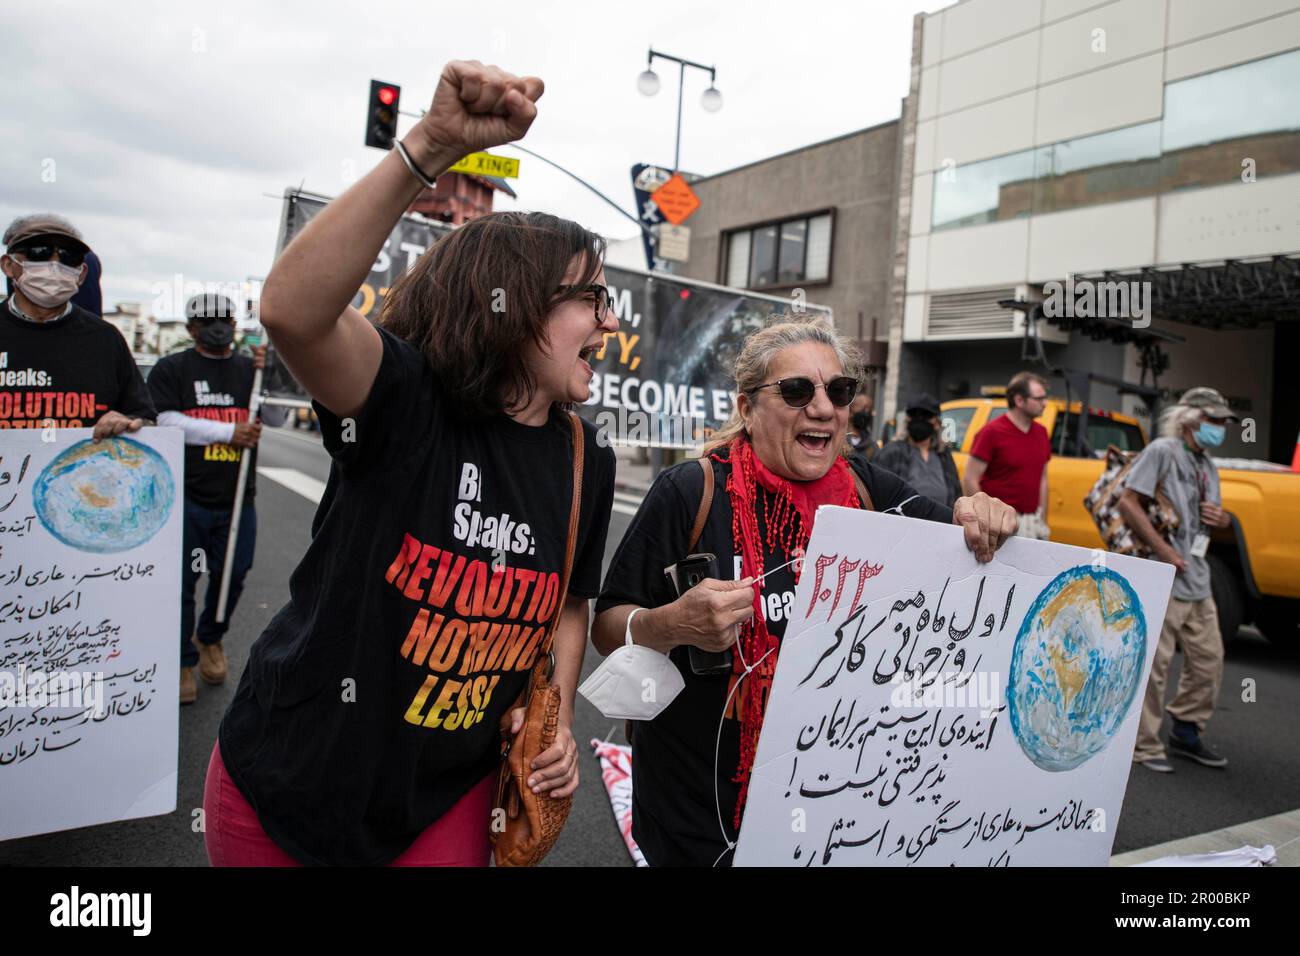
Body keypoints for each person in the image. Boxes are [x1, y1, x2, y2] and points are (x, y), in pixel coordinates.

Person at [204, 60, 617, 867]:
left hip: (445, 801)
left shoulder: (584, 456)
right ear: (517, 303)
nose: (607, 321)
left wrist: (551, 718)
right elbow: (293, 311)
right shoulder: (405, 402)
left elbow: (571, 601)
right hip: (291, 785)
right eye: (589, 299)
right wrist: (428, 144)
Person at [591, 317, 1018, 866]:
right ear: (747, 409)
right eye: (796, 391)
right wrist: (670, 623)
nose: (823, 408)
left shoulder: (870, 490)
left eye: (838, 391)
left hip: (835, 800)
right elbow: (608, 627)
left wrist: (979, 512)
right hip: (699, 811)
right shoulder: (689, 491)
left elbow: (966, 541)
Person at [148, 294, 265, 705]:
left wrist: (273, 365)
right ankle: (181, 657)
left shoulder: (253, 369)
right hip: (186, 498)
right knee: (182, 582)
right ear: (191, 329)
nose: (218, 327)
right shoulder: (172, 369)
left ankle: (210, 637)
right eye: (207, 321)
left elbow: (287, 400)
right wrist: (227, 433)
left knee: (233, 574)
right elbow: (163, 420)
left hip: (237, 499)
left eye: (225, 319)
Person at [1122, 387, 1235, 773]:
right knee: (1156, 665)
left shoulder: (1209, 466)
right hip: (1164, 573)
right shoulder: (1162, 452)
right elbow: (1128, 501)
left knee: (1209, 662)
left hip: (1197, 576)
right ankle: (1145, 744)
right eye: (1215, 421)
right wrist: (1164, 551)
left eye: (1224, 422)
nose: (1221, 428)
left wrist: (1223, 521)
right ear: (1191, 420)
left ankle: (1186, 730)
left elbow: (1210, 520)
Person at [0, 214, 154, 435]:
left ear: (81, 274)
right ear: (8, 265)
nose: (54, 265)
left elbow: (145, 418)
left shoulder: (106, 339)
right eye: (38, 253)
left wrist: (127, 422)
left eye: (68, 257)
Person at [963, 371, 1052, 540]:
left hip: (1033, 522)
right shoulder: (992, 432)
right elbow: (969, 478)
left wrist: (1042, 520)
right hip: (999, 523)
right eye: (1039, 398)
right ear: (1019, 400)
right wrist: (985, 519)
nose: (1045, 403)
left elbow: (1043, 479)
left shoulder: (1042, 433)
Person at [871, 392, 961, 509]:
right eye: (914, 414)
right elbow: (877, 493)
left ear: (937, 423)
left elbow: (957, 494)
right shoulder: (891, 453)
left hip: (941, 523)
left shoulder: (943, 455)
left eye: (926, 415)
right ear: (907, 420)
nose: (920, 419)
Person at [845, 389, 875, 457]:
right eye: (864, 408)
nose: (867, 413)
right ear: (850, 411)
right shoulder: (838, 441)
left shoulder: (872, 447)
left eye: (869, 409)